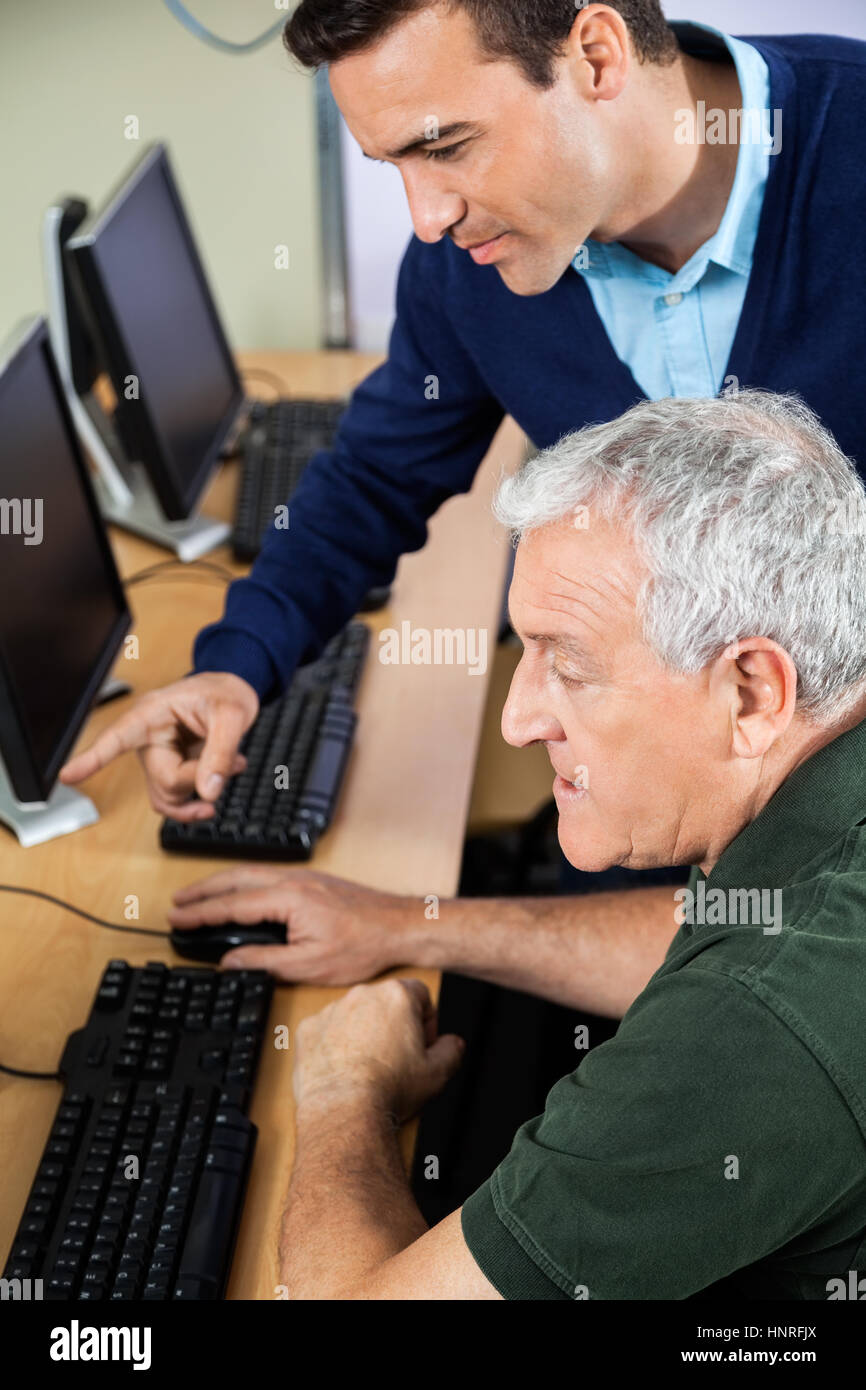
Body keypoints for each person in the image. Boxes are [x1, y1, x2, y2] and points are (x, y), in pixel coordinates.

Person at [272, 389, 866, 1299]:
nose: (515, 719)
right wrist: (414, 926)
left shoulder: (744, 1036)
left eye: (571, 666)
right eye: (524, 649)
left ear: (753, 691)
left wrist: (342, 1093)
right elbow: (723, 930)